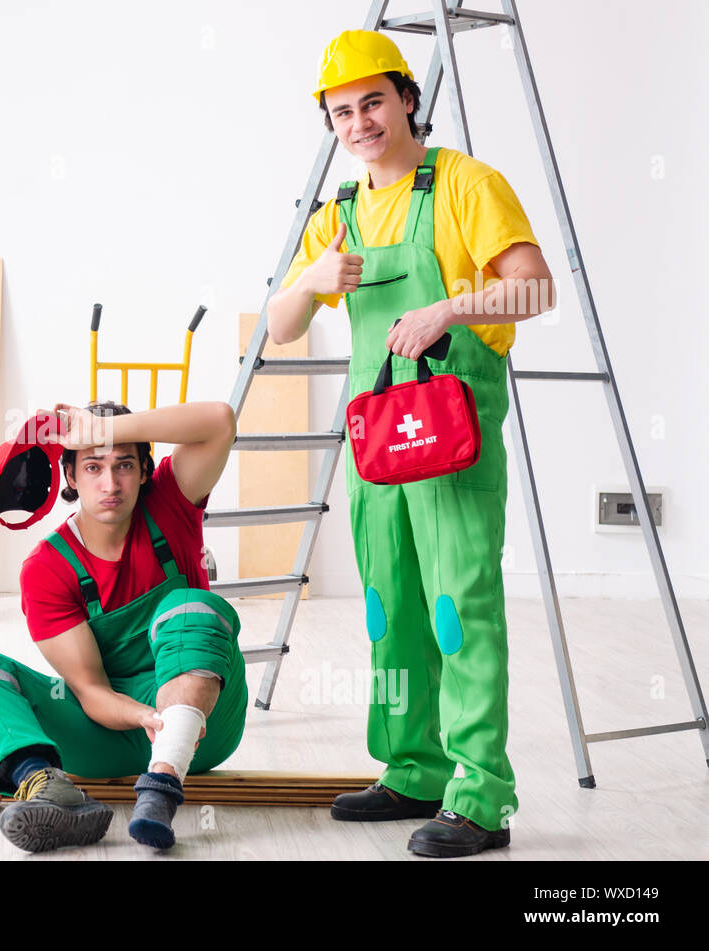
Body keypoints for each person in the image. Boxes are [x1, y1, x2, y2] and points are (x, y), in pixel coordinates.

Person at [266, 29, 555, 857]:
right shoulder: (340, 214)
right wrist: (311, 280)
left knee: (458, 609)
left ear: (406, 99)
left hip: (452, 438)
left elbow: (535, 285)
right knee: (391, 610)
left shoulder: (464, 182)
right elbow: (281, 328)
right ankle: (413, 768)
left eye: (373, 103)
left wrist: (452, 308)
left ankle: (479, 797)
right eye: (342, 112)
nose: (360, 122)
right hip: (377, 446)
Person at [0, 399, 243, 852]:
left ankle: (160, 787)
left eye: (124, 465)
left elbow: (219, 420)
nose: (110, 483)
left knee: (190, 605)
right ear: (71, 477)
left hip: (203, 728)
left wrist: (95, 429)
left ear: (145, 470)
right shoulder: (47, 567)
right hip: (114, 728)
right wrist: (145, 718)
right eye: (94, 466)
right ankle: (45, 785)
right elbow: (91, 692)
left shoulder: (170, 504)